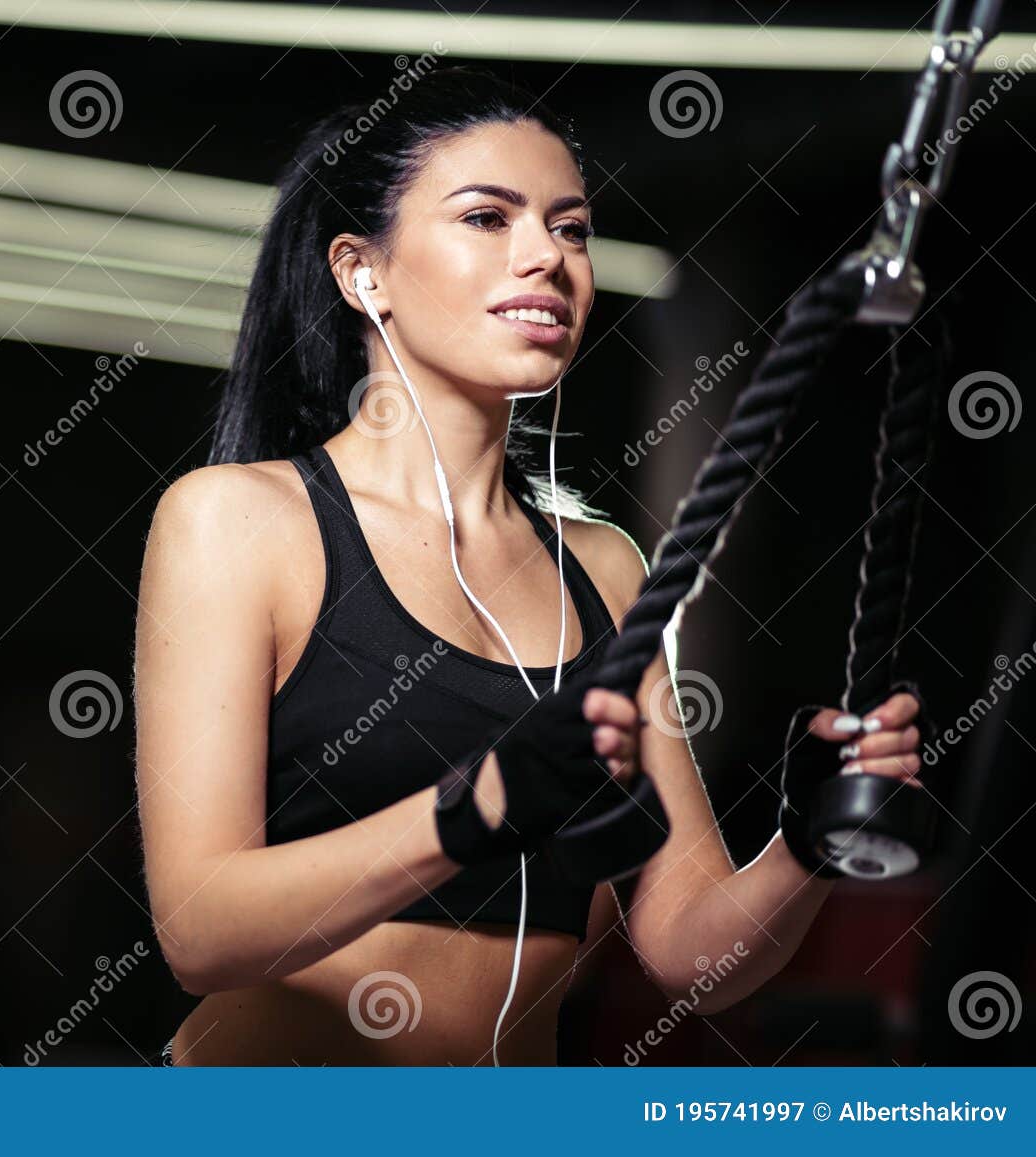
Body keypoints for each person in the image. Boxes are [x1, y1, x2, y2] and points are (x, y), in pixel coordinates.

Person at [131, 67, 924, 1066]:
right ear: (359, 271)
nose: (545, 255)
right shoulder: (238, 522)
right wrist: (471, 811)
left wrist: (801, 847)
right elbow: (200, 930)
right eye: (485, 217)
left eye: (571, 227)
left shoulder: (604, 567)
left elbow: (686, 949)